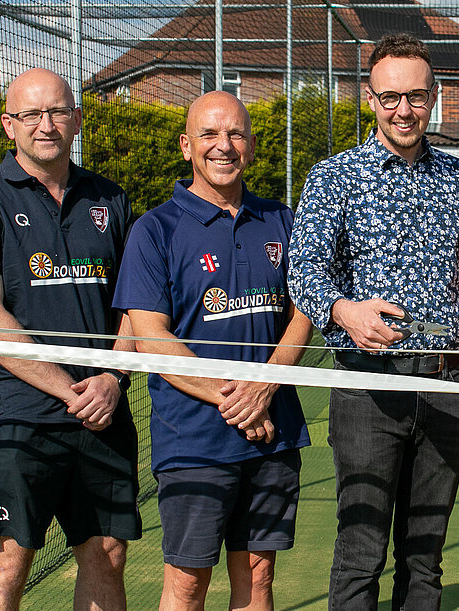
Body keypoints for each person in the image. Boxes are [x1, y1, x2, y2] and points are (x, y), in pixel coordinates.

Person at [288, 33, 459, 610]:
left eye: (417, 97)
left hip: (444, 386)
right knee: (361, 550)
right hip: (368, 385)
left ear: (435, 97)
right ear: (369, 98)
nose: (405, 110)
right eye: (391, 96)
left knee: (425, 556)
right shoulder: (332, 177)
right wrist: (345, 310)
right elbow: (304, 272)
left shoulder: (457, 176)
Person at [0, 67, 140, 610]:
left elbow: (136, 306)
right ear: (9, 125)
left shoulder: (110, 199)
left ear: (76, 119)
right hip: (19, 417)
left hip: (104, 411)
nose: (46, 125)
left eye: (57, 111)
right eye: (31, 114)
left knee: (107, 553)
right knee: (7, 561)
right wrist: (67, 389)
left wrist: (112, 378)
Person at [113, 91, 312, 610]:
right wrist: (240, 400)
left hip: (273, 433)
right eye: (209, 134)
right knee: (187, 583)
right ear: (186, 145)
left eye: (236, 134)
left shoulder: (280, 220)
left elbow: (305, 312)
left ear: (251, 146)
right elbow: (151, 336)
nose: (223, 146)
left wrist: (266, 385)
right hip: (194, 440)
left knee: (259, 576)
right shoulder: (154, 229)